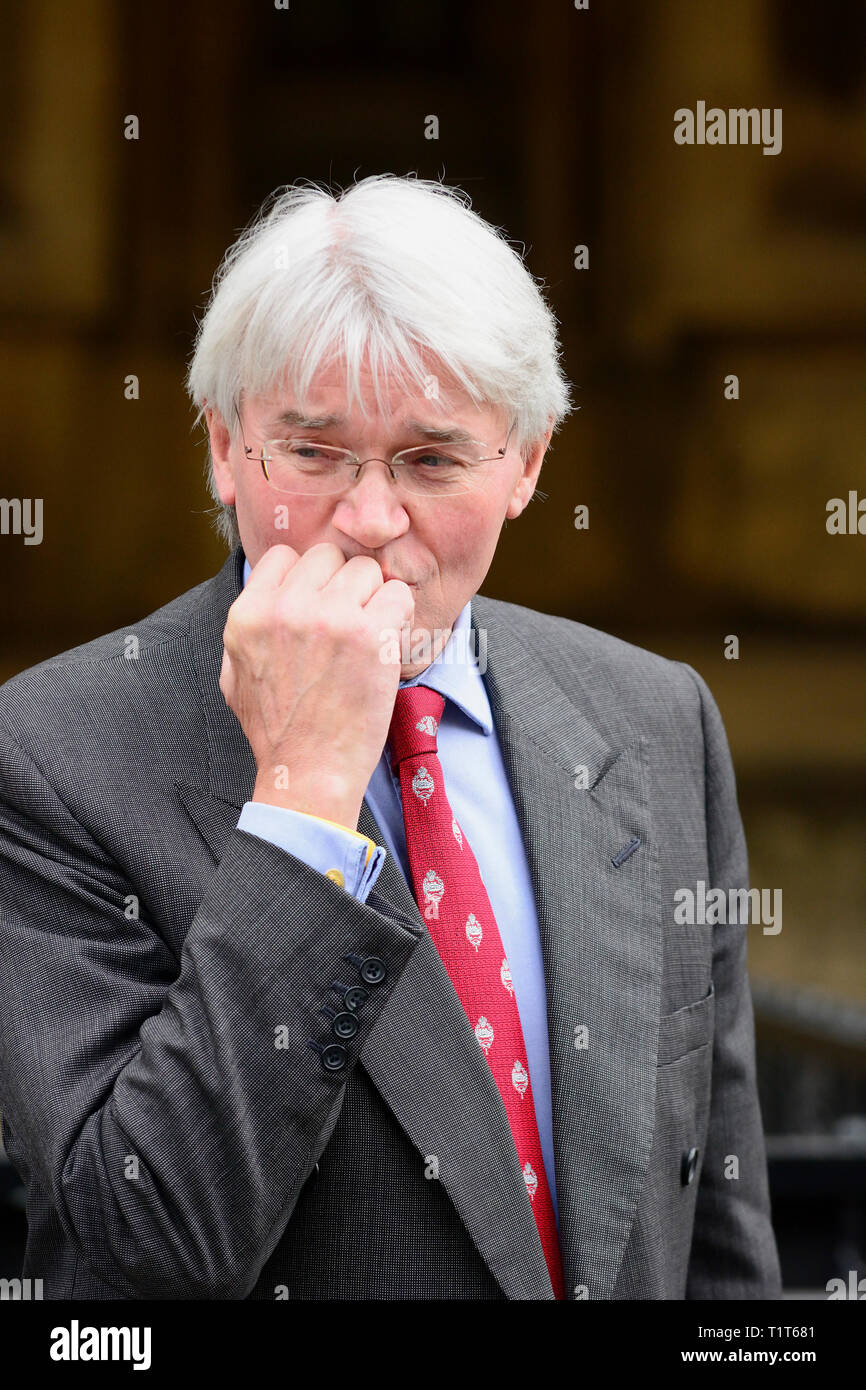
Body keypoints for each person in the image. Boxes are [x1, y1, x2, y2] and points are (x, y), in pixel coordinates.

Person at [0, 174, 781, 1300]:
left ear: (526, 462)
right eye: (311, 454)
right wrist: (304, 796)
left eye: (430, 460)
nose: (370, 521)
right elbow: (154, 1245)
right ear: (224, 448)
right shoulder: (53, 753)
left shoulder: (650, 717)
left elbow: (713, 1229)